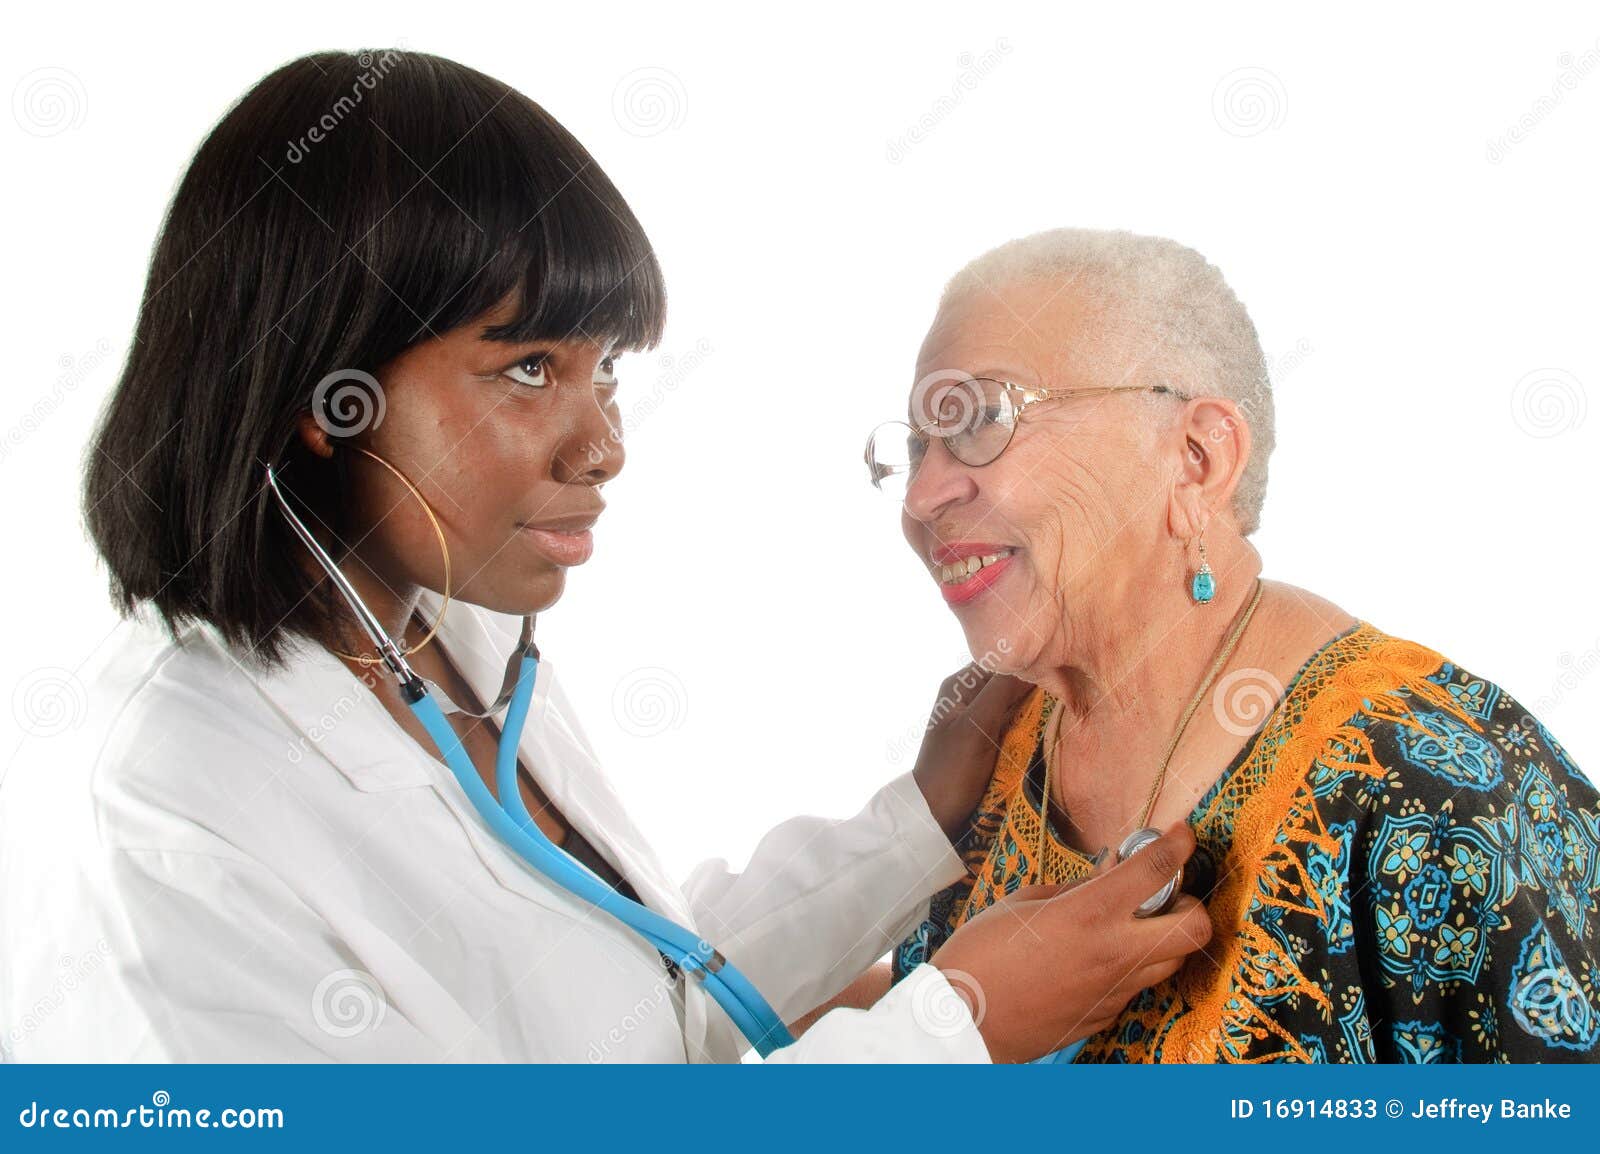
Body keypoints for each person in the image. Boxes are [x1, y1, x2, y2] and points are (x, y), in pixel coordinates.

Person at [0, 53, 1212, 1064]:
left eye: (608, 369)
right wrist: (950, 1032)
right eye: (528, 368)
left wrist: (916, 820)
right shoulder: (172, 819)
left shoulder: (448, 633)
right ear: (330, 389)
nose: (606, 445)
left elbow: (633, 1016)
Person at [857, 228, 1600, 1062]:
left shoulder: (1442, 796)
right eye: (917, 447)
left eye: (983, 419)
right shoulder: (981, 778)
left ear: (1198, 459)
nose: (921, 498)